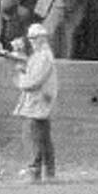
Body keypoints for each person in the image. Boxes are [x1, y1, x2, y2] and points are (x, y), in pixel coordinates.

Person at [10, 23, 58, 183]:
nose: (31, 41)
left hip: (37, 103)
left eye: (33, 38)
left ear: (42, 38)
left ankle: (34, 172)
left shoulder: (43, 56)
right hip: (40, 102)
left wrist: (19, 77)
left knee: (32, 137)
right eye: (30, 38)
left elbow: (33, 82)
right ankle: (48, 172)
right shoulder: (41, 55)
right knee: (43, 138)